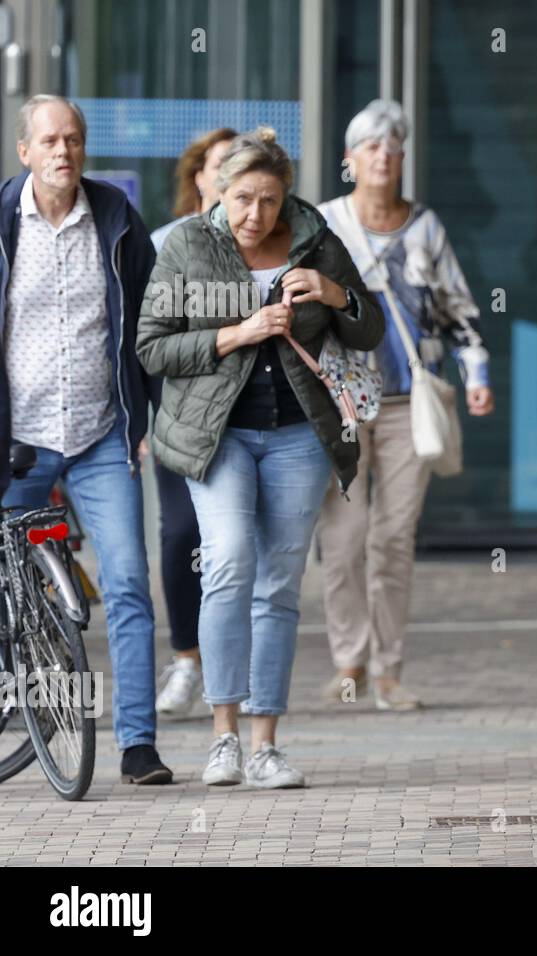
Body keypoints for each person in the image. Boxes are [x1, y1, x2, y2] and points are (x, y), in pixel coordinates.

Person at [137, 126, 383, 788]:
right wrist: (235, 334)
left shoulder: (316, 241)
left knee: (277, 583)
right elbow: (153, 347)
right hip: (217, 436)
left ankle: (266, 742)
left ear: (287, 196)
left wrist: (336, 296)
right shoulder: (189, 244)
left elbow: (370, 328)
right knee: (228, 564)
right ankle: (222, 736)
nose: (256, 215)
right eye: (243, 198)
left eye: (269, 200)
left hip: (299, 435)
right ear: (218, 191)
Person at [0, 95, 169, 784]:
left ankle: (137, 745)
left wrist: (147, 418)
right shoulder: (2, 222)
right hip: (19, 441)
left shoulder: (117, 218)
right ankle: (42, 716)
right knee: (19, 602)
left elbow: (156, 321)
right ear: (25, 152)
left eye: (73, 139)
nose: (63, 151)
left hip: (102, 436)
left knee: (127, 581)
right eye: (49, 141)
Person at [315, 99, 493, 711]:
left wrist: (477, 373)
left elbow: (460, 309)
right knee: (342, 539)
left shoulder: (425, 227)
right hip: (342, 400)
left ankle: (388, 670)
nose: (384, 156)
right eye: (371, 147)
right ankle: (349, 660)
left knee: (393, 537)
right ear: (350, 161)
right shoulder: (327, 224)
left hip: (408, 404)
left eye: (393, 147)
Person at [149, 127, 237, 719]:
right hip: (179, 420)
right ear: (199, 178)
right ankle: (186, 659)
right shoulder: (162, 243)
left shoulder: (269, 245)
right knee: (183, 536)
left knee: (236, 549)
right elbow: (145, 340)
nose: (230, 175)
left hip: (248, 422)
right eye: (219, 165)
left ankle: (233, 675)